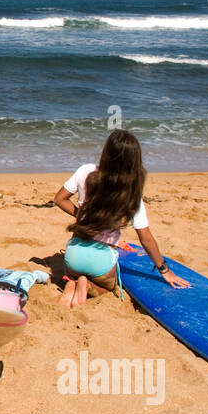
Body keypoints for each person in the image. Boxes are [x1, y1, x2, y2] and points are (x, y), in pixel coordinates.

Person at [52, 130, 189, 308]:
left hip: (74, 254)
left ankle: (73, 281)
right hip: (102, 261)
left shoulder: (85, 171)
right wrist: (165, 270)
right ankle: (88, 285)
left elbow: (59, 199)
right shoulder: (131, 192)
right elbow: (145, 238)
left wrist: (82, 216)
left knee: (72, 273)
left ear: (106, 152)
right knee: (110, 290)